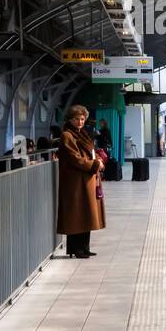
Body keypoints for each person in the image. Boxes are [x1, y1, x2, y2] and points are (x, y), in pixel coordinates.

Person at [56, 105, 106, 258]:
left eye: (82, 119)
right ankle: (76, 249)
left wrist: (97, 159)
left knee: (87, 214)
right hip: (75, 181)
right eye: (76, 119)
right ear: (70, 120)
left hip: (87, 179)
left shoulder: (82, 134)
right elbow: (75, 159)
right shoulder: (67, 136)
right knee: (77, 214)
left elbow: (91, 153)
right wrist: (96, 164)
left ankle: (84, 247)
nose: (80, 122)